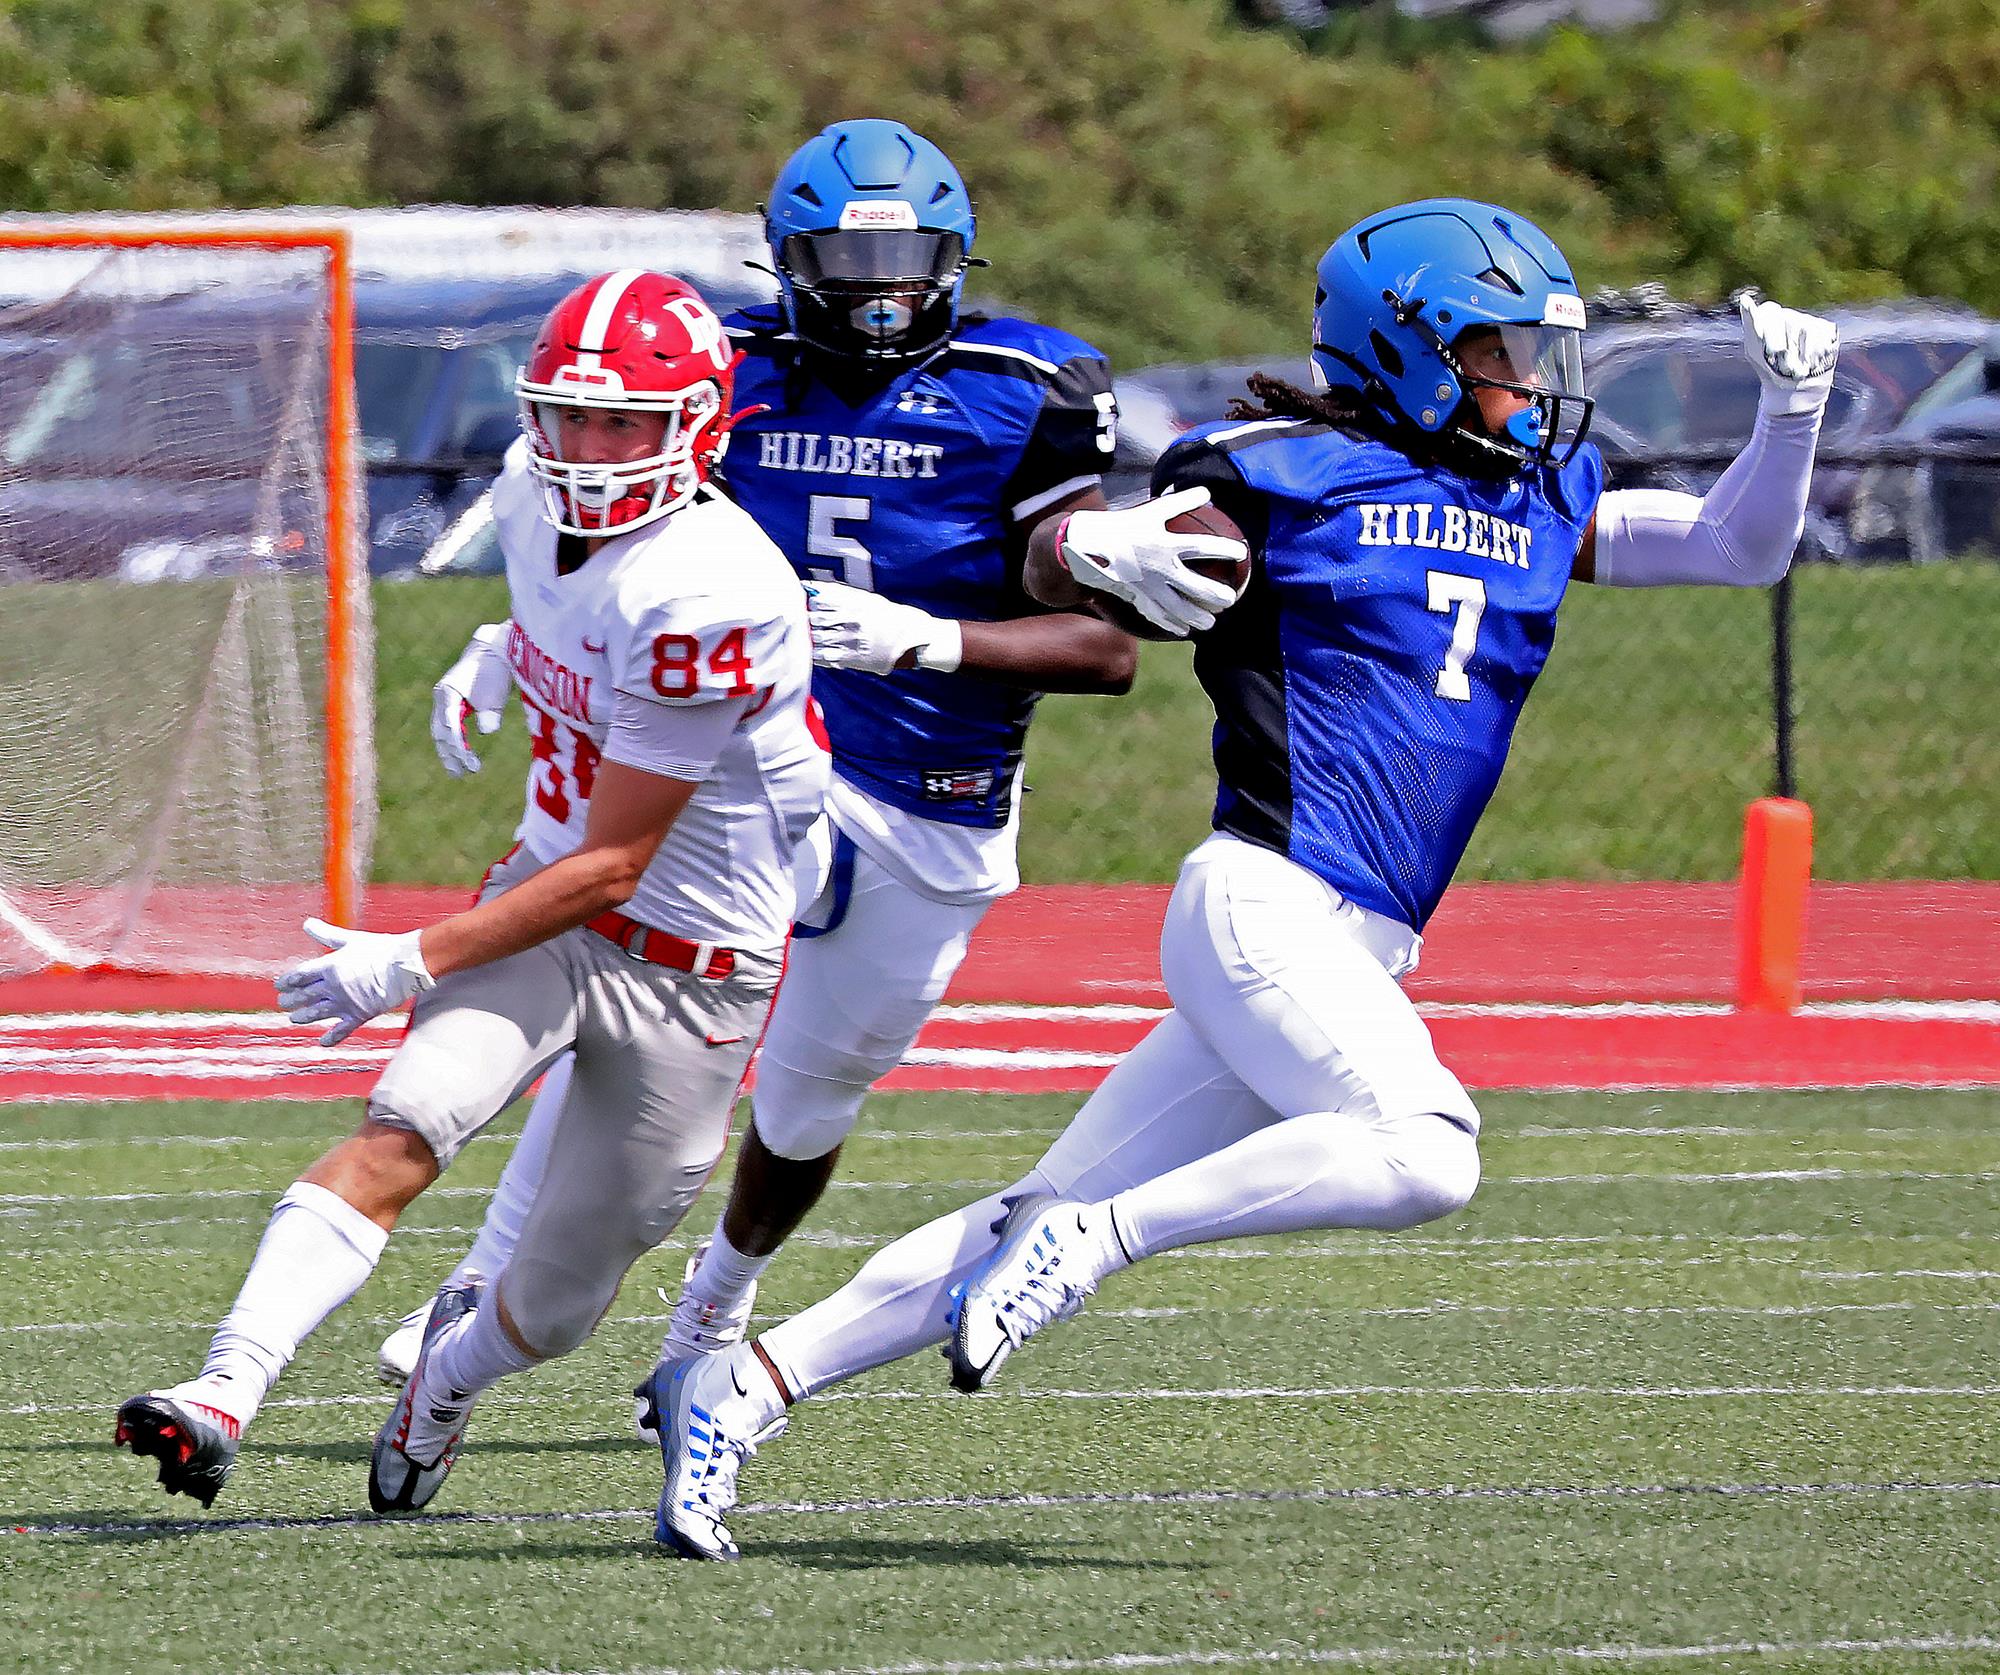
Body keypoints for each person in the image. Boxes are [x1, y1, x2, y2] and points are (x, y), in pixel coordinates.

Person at [640, 197, 1842, 1560]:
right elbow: (1080, 550)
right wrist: (1110, 549)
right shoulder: (1283, 471)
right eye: (1507, 349)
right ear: (1412, 350)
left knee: (1018, 1219)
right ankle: (1103, 1238)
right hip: (1266, 899)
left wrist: (1793, 408)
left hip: (1351, 937)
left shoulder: (1531, 489)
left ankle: (739, 1388)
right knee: (1426, 1148)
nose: (1536, 384)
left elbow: (1738, 547)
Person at [375, 117, 1136, 1395]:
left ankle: (713, 1311)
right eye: (847, 257)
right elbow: (598, 531)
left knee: (807, 1099)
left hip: (928, 785)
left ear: (955, 256)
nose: (880, 287)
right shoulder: (720, 367)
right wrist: (514, 633)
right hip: (738, 746)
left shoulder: (1034, 386)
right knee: (620, 990)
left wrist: (923, 639)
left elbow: (1104, 651)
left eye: (907, 256)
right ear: (788, 258)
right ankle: (482, 1276)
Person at [113, 269, 829, 1511]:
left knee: (555, 1305)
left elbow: (625, 860)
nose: (588, 450)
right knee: (406, 1124)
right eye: (568, 416)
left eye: (625, 425)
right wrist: (499, 647)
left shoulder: (710, 588)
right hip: (552, 902)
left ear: (700, 424)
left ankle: (443, 1380)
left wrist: (406, 956)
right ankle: (220, 1391)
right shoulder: (522, 484)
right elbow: (565, 631)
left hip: (693, 967)